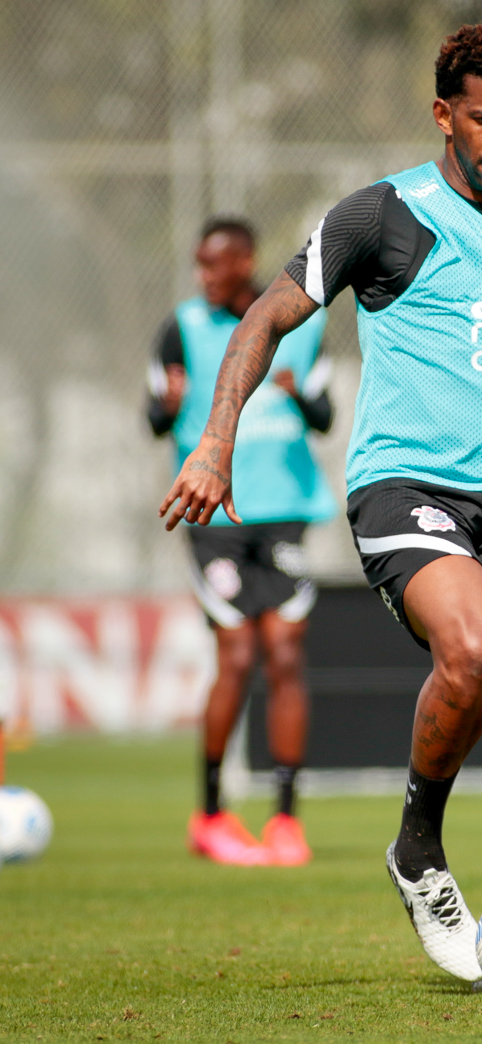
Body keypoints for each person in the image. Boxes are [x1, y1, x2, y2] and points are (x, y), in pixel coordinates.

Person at [158, 24, 482, 984]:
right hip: (407, 483)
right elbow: (265, 316)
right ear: (444, 114)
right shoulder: (382, 215)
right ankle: (418, 846)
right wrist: (216, 439)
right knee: (474, 644)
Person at [148, 217, 335, 867]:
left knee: (285, 653)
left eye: (215, 263)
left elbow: (324, 412)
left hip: (283, 511)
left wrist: (297, 396)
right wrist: (168, 405)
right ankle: (210, 814)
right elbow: (154, 414)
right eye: (199, 263)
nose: (204, 275)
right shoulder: (182, 327)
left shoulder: (302, 318)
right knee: (236, 653)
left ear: (247, 260)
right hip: (213, 516)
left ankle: (285, 821)